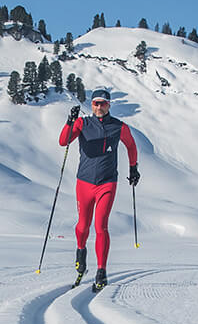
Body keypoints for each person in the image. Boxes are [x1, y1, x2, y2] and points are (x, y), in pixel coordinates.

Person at [59, 87, 140, 291]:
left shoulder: (119, 127)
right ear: (92, 104)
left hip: (107, 182)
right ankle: (81, 253)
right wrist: (69, 122)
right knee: (82, 226)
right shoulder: (82, 123)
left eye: (103, 103)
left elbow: (131, 146)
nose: (99, 107)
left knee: (101, 226)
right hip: (84, 183)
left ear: (109, 105)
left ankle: (101, 271)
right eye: (95, 103)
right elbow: (63, 141)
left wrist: (133, 168)